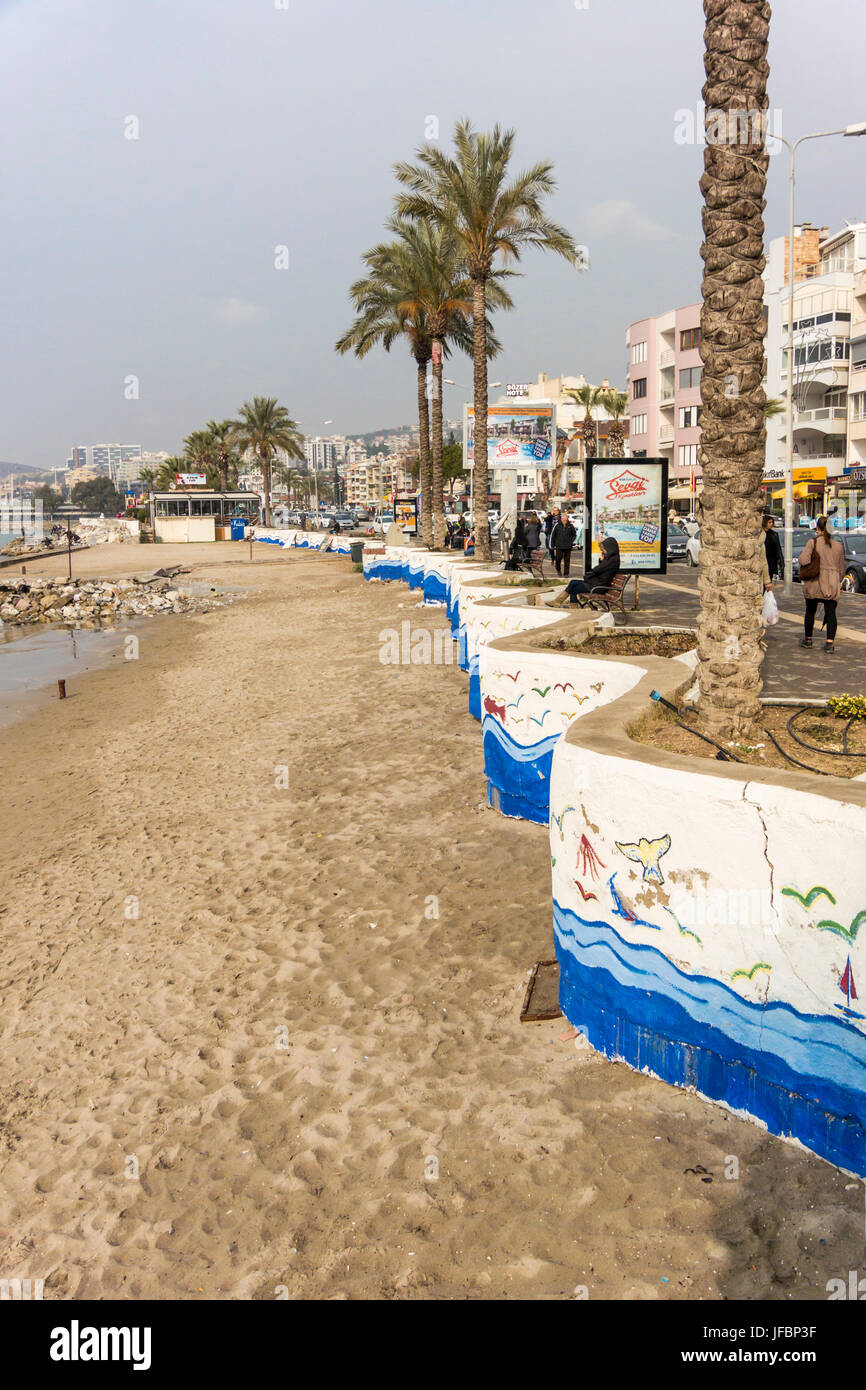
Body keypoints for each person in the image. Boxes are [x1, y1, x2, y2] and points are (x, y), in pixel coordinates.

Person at [799, 515, 845, 653]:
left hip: (815, 581)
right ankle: (830, 644)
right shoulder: (838, 546)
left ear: (817, 527)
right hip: (831, 583)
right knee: (831, 613)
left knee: (810, 611)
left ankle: (808, 640)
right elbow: (841, 569)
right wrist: (837, 580)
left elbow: (803, 560)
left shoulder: (812, 542)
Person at [552, 537, 621, 605]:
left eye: (604, 549)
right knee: (573, 583)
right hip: (596, 584)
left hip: (598, 587)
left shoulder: (611, 561)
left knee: (573, 588)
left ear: (610, 548)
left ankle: (559, 602)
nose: (603, 551)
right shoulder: (611, 559)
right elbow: (599, 570)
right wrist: (601, 560)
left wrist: (587, 576)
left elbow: (596, 570)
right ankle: (558, 602)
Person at [550, 510, 577, 576]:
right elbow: (553, 535)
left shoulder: (570, 526)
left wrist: (571, 541)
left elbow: (574, 535)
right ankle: (558, 569)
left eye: (566, 519)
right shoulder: (557, 525)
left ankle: (566, 573)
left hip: (568, 546)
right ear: (561, 519)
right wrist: (552, 545)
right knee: (558, 559)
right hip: (559, 546)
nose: (565, 520)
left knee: (567, 561)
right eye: (564, 519)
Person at [763, 514, 783, 582]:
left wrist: (781, 562)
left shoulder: (774, 534)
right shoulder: (761, 533)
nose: (771, 524)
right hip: (763, 559)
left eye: (772, 522)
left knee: (769, 579)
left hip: (771, 561)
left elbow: (778, 548)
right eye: (769, 522)